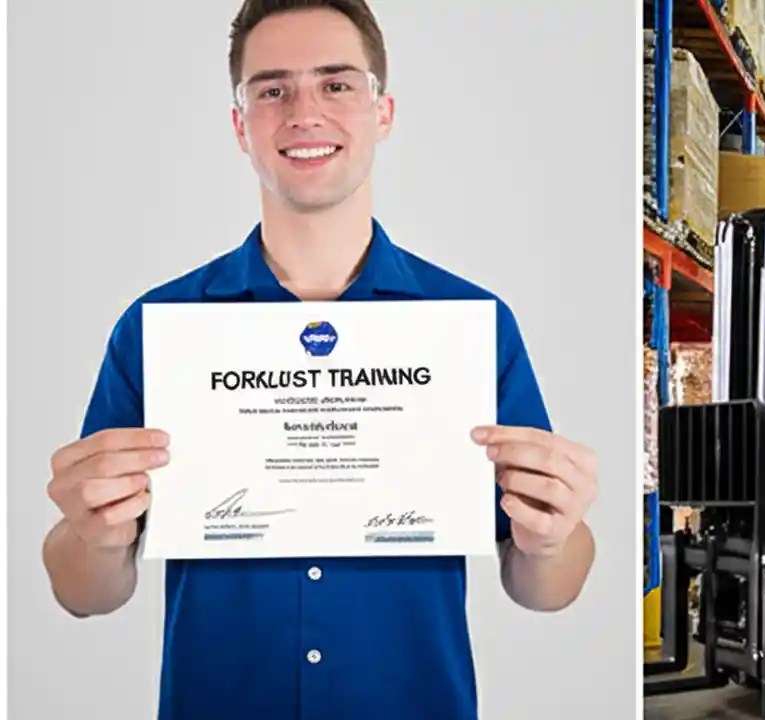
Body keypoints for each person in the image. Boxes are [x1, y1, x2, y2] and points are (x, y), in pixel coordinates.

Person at [40, 2, 598, 718]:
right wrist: (93, 534)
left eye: (336, 85)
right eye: (271, 89)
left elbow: (543, 588)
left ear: (383, 111)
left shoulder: (470, 328)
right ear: (241, 125)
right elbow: (85, 592)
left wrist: (553, 538)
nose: (304, 111)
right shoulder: (159, 330)